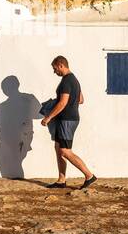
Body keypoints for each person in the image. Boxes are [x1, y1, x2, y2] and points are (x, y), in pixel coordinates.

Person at [40, 55, 97, 190]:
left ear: (61, 65)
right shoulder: (74, 80)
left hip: (67, 120)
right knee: (58, 148)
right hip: (67, 118)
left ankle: (89, 176)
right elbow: (81, 99)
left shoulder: (66, 81)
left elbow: (63, 102)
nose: (54, 72)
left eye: (55, 69)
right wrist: (68, 103)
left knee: (65, 151)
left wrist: (48, 117)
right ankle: (61, 180)